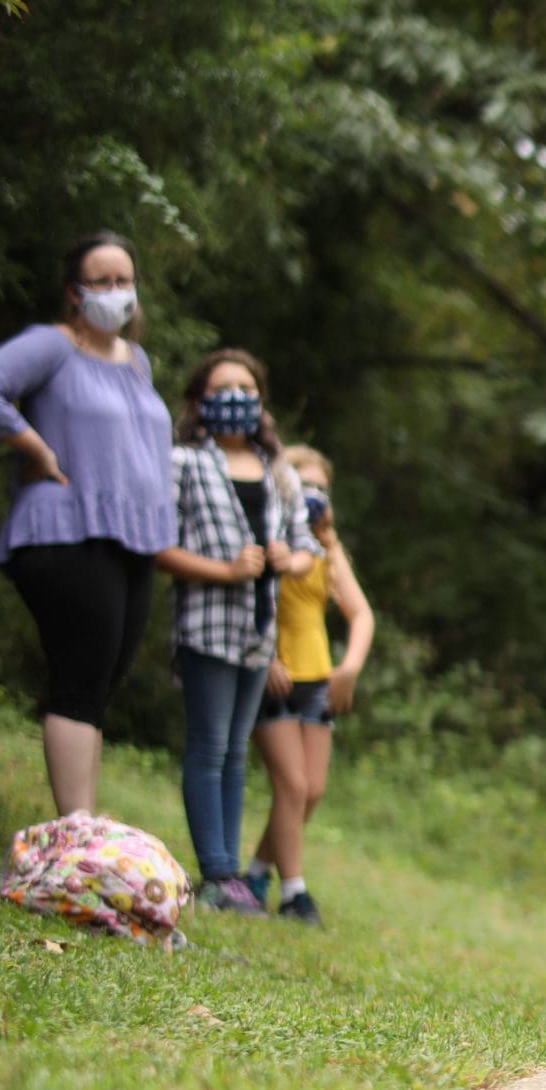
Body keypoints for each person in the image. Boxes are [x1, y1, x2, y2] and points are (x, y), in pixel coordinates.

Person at [0, 232, 176, 817]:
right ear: (74, 292)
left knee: (100, 683)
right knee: (80, 677)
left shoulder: (137, 361)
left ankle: (84, 824)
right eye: (102, 281)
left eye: (124, 280)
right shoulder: (53, 346)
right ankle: (74, 829)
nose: (116, 292)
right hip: (66, 530)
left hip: (131, 540)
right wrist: (34, 446)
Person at [154, 350, 318, 913]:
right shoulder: (182, 462)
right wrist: (224, 570)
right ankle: (217, 873)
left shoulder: (278, 470)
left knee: (234, 753)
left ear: (261, 400)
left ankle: (228, 878)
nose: (236, 398)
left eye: (246, 389)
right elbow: (158, 546)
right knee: (208, 745)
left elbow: (307, 547)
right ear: (199, 400)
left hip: (258, 634)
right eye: (223, 387)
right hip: (206, 628)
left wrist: (289, 559)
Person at [241, 444, 375, 926]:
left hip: (317, 677)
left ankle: (256, 874)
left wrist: (349, 668)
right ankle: (294, 892)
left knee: (310, 790)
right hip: (275, 675)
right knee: (291, 785)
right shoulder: (270, 535)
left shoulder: (326, 549)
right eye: (306, 484)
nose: (314, 494)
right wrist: (267, 657)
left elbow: (361, 614)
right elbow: (249, 601)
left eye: (322, 488)